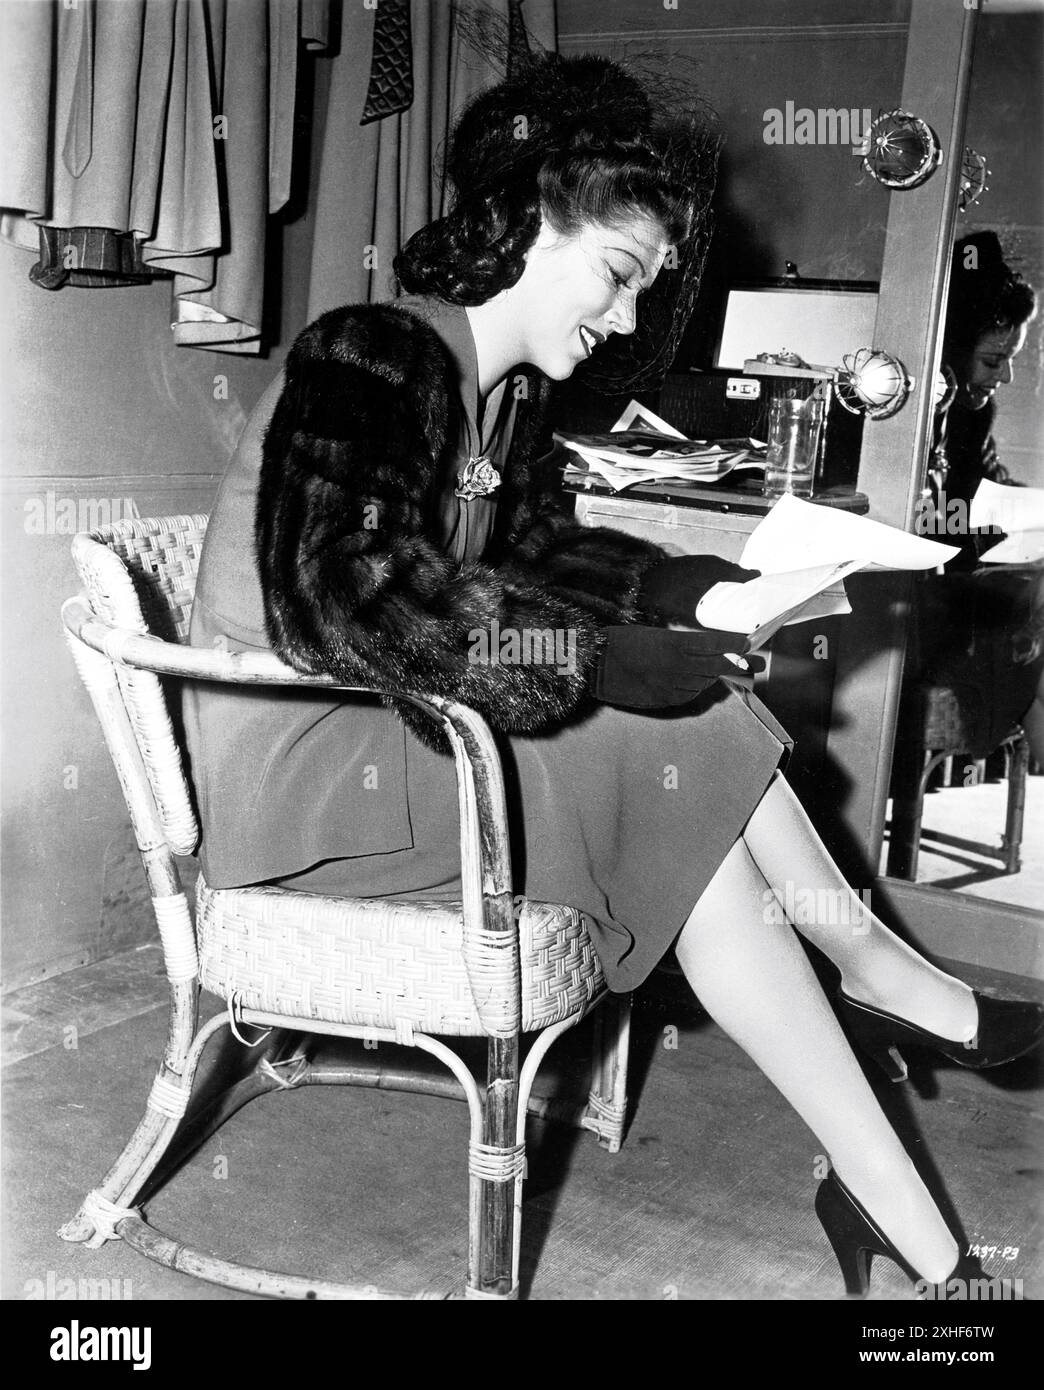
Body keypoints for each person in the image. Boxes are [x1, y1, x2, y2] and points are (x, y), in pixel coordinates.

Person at [184, 52, 1043, 1298]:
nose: (631, 320)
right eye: (620, 275)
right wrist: (588, 658)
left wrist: (680, 596)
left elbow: (546, 554)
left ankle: (913, 1220)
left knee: (692, 715)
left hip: (401, 737)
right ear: (530, 220)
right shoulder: (370, 353)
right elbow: (348, 597)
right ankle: (879, 989)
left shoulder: (499, 399)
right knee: (651, 725)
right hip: (306, 773)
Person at [915, 231, 1043, 765]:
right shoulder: (921, 406)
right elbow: (933, 519)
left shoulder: (972, 410)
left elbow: (989, 478)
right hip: (923, 589)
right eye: (994, 360)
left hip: (957, 572)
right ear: (953, 350)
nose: (1006, 376)